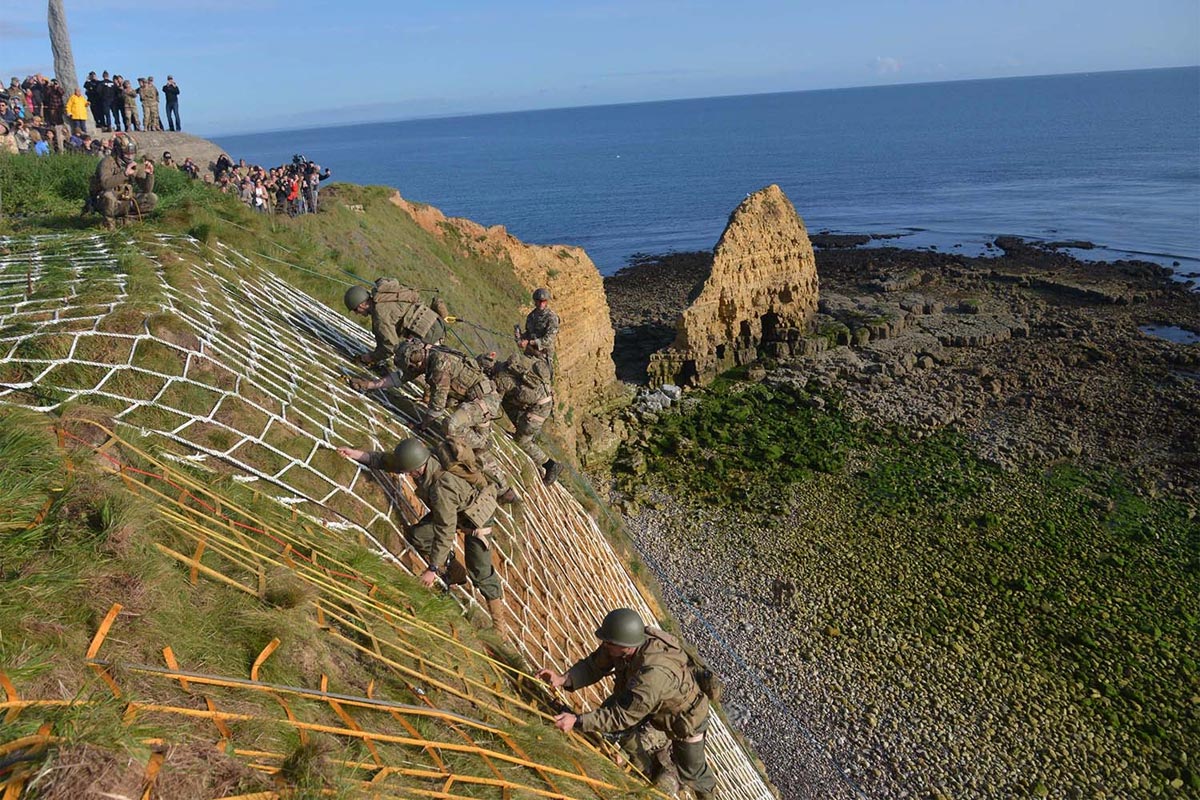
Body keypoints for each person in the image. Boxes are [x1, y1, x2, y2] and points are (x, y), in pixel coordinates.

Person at [537, 609, 717, 799]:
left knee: (693, 772)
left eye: (609, 643)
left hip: (685, 718)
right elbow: (595, 665)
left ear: (625, 646)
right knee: (615, 718)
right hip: (647, 702)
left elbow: (621, 716)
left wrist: (578, 720)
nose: (604, 645)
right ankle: (643, 768)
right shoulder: (621, 644)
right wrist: (564, 679)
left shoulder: (653, 674)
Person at [336, 437, 509, 632]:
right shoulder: (423, 459)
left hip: (476, 517)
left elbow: (446, 531)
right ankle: (455, 572)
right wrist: (358, 454)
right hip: (453, 509)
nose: (406, 474)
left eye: (408, 471)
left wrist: (432, 569)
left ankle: (499, 628)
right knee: (419, 535)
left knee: (481, 572)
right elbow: (389, 462)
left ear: (416, 468)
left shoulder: (442, 488)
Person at [352, 340, 518, 504]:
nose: (411, 370)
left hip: (485, 402)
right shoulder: (426, 356)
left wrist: (422, 426)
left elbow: (437, 408)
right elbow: (400, 378)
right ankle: (503, 488)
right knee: (471, 446)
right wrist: (369, 385)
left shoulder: (439, 365)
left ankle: (482, 446)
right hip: (472, 400)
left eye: (411, 367)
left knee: (451, 425)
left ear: (417, 361)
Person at [483, 350, 564, 485]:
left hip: (538, 411)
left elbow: (493, 402)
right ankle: (521, 430)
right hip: (540, 402)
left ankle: (551, 465)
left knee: (523, 441)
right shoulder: (508, 368)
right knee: (508, 402)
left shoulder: (502, 379)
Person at [343, 279, 447, 365]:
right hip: (437, 323)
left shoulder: (380, 315)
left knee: (402, 357)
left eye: (356, 310)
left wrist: (369, 358)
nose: (357, 314)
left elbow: (390, 347)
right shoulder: (385, 296)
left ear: (361, 305)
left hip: (427, 334)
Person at [87, 135, 158, 230]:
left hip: (125, 199)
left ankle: (126, 220)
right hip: (104, 201)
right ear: (118, 151)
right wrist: (125, 174)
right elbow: (105, 184)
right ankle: (108, 224)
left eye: (132, 154)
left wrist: (150, 175)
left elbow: (146, 189)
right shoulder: (107, 162)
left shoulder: (133, 165)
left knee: (151, 198)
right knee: (108, 196)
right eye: (127, 154)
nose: (130, 157)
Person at [518, 287, 560, 363]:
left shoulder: (552, 318)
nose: (541, 304)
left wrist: (530, 342)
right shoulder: (531, 316)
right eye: (539, 301)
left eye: (543, 301)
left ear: (546, 302)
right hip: (529, 352)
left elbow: (548, 340)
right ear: (535, 301)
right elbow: (529, 333)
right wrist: (520, 337)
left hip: (543, 356)